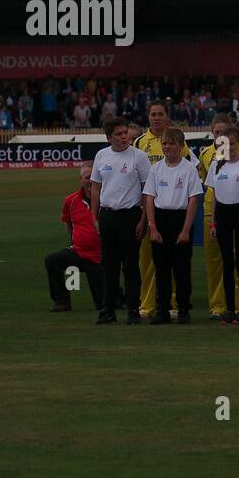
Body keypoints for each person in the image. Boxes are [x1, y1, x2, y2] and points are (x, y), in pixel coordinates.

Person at [133, 100, 194, 320]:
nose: (156, 118)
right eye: (152, 114)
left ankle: (179, 305)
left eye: (160, 114)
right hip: (151, 210)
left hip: (177, 209)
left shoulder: (179, 143)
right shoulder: (140, 143)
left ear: (167, 116)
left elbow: (191, 170)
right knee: (150, 263)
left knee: (178, 266)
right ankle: (149, 305)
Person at [90, 116, 152, 325]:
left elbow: (147, 190)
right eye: (119, 134)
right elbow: (96, 188)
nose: (124, 137)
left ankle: (133, 310)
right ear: (109, 138)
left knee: (131, 266)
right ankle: (108, 309)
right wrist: (94, 216)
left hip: (130, 215)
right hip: (108, 215)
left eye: (125, 132)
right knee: (109, 265)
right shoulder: (101, 156)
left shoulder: (139, 157)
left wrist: (143, 220)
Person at [143, 127, 203, 325]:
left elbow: (193, 200)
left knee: (182, 268)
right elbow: (149, 198)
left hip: (180, 219)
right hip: (160, 219)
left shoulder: (188, 169)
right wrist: (152, 227)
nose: (167, 147)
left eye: (171, 143)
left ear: (180, 146)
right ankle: (163, 310)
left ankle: (184, 308)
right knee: (161, 269)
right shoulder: (156, 169)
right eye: (165, 143)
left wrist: (186, 229)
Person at [204, 126, 239, 324]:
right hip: (223, 215)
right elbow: (213, 196)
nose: (230, 147)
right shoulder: (216, 165)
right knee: (227, 263)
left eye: (233, 143)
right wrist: (212, 222)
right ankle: (229, 309)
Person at [198, 114, 239, 319]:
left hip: (236, 208)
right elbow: (205, 179)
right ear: (212, 132)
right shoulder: (206, 154)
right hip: (213, 211)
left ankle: (238, 304)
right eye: (217, 132)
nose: (220, 136)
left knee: (237, 260)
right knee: (215, 260)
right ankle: (217, 305)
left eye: (224, 132)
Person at [46, 162, 104, 313]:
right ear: (81, 180)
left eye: (92, 177)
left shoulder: (107, 199)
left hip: (101, 257)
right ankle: (62, 302)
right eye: (86, 177)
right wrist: (76, 241)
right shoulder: (71, 201)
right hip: (79, 253)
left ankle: (118, 297)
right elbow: (68, 224)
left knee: (103, 304)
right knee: (52, 260)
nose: (89, 181)